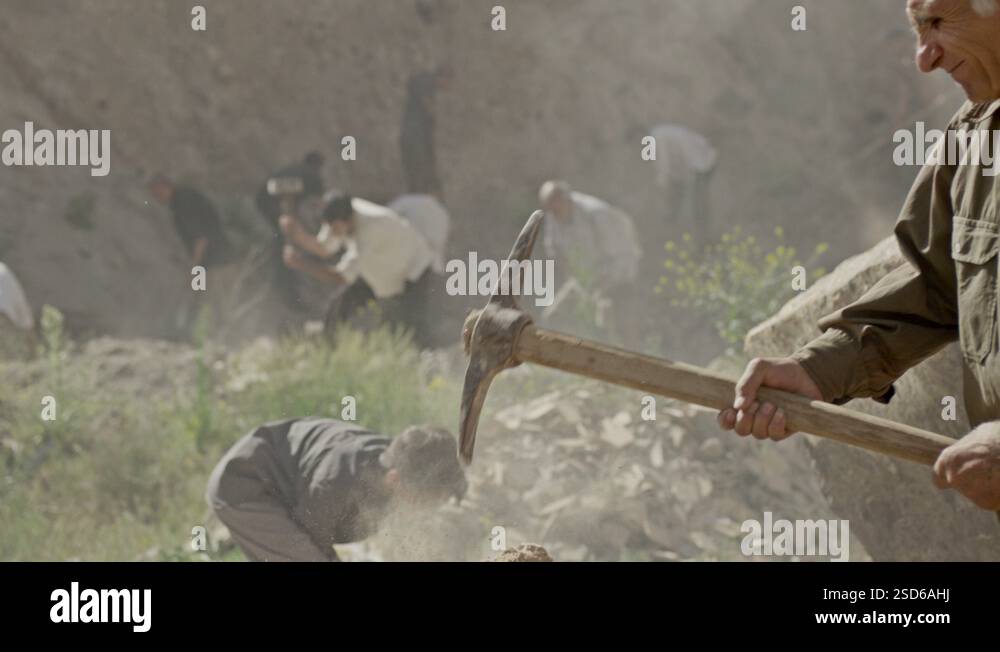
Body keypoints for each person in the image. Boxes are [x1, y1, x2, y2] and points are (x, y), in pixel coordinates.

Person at [717, 0, 1000, 513]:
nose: (924, 58)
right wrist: (817, 370)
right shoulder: (974, 136)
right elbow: (935, 287)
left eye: (937, 22)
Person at [206, 419, 467, 562]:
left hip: (280, 490)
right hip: (244, 486)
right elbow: (309, 547)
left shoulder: (400, 458)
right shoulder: (334, 483)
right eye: (429, 497)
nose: (433, 504)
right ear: (396, 479)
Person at [279, 193, 438, 346]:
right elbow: (325, 248)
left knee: (413, 327)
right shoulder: (340, 211)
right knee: (338, 310)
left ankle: (430, 360)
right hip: (379, 269)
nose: (333, 233)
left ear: (346, 221)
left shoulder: (370, 231)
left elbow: (340, 276)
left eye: (336, 229)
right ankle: (327, 350)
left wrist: (301, 264)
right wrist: (298, 235)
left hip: (413, 270)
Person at [538, 180, 643, 342]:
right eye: (550, 208)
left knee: (606, 323)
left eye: (555, 205)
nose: (554, 211)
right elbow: (554, 248)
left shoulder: (596, 214)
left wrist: (602, 287)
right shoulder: (553, 216)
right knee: (552, 317)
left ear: (564, 199)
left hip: (616, 277)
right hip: (583, 279)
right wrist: (573, 275)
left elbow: (620, 255)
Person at [254, 151, 326, 311]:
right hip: (275, 205)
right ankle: (292, 295)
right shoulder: (313, 176)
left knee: (284, 237)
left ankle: (290, 289)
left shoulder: (293, 169)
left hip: (264, 202)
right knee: (288, 241)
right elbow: (318, 206)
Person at [649, 123, 717, 245]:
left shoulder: (655, 136)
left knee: (698, 205)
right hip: (696, 162)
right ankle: (677, 230)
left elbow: (664, 162)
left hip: (701, 163)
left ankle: (702, 240)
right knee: (683, 198)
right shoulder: (658, 134)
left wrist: (661, 183)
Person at [149, 175, 234, 269]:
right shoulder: (183, 197)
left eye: (156, 194)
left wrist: (194, 266)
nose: (156, 198)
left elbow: (200, 239)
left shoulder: (182, 202)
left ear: (163, 187)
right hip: (220, 254)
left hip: (216, 260)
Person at [400, 66, 452, 197]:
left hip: (419, 138)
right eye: (448, 82)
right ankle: (418, 196)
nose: (447, 87)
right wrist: (431, 110)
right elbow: (415, 84)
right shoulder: (425, 82)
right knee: (418, 171)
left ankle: (421, 194)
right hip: (414, 137)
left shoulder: (429, 88)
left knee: (422, 171)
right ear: (443, 77)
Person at [387, 193, 451, 272]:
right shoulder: (443, 215)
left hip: (407, 259)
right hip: (432, 265)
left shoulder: (408, 201)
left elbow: (386, 218)